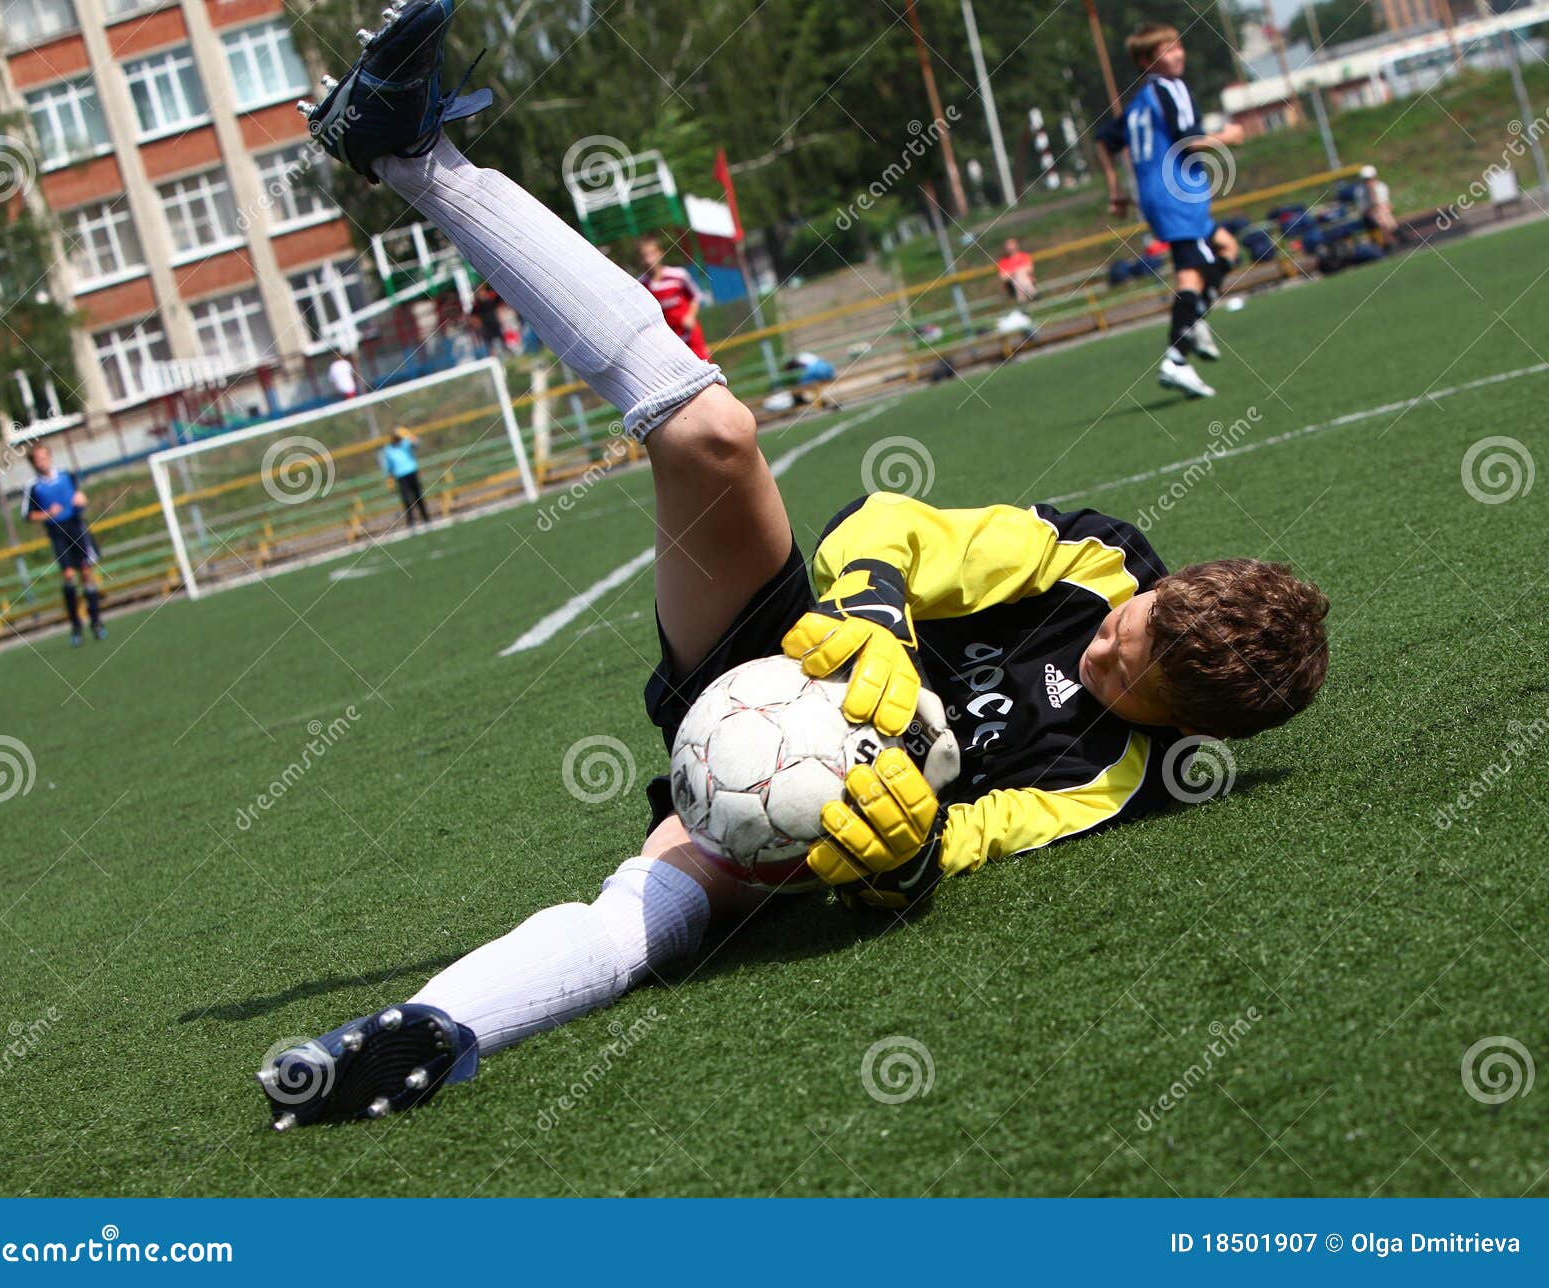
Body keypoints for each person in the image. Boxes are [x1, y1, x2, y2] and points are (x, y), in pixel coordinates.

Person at [260, 0, 1330, 1129]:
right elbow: (896, 529)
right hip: (791, 647)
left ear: (1183, 727)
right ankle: (409, 151)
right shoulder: (1102, 560)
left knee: (677, 894)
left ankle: (428, 1029)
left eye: (1132, 677)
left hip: (805, 810)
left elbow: (978, 834)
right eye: (1136, 623)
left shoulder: (1125, 779)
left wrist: (905, 852)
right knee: (710, 433)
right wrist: (874, 621)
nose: (1110, 644)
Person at [1094, 22, 1246, 399]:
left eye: (1178, 46)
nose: (1177, 54)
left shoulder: (1140, 102)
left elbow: (1102, 139)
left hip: (1160, 196)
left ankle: (1192, 322)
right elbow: (1189, 144)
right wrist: (1230, 137)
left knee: (1228, 249)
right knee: (1190, 277)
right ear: (1147, 62)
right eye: (1166, 50)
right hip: (1177, 194)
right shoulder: (1172, 89)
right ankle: (1176, 358)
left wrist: (1115, 188)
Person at [23, 443, 105, 647]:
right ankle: (76, 626)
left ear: (50, 457)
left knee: (86, 573)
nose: (42, 462)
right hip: (58, 533)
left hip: (77, 527)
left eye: (44, 457)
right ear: (33, 464)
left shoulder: (66, 476)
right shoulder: (33, 486)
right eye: (37, 460)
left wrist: (81, 500)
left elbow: (80, 497)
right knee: (68, 576)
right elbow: (27, 515)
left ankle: (96, 622)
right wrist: (47, 513)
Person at [635, 233, 711, 361]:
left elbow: (696, 296)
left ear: (660, 253)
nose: (649, 260)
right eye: (644, 256)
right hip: (667, 344)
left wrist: (690, 316)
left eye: (652, 253)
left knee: (707, 374)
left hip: (691, 337)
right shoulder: (640, 286)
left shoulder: (678, 275)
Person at [380, 426, 430, 528]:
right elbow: (389, 467)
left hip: (411, 472)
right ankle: (411, 522)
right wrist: (390, 480)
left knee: (418, 496)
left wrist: (407, 433)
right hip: (400, 476)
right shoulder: (389, 449)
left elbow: (417, 443)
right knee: (406, 500)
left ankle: (426, 518)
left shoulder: (405, 443)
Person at [1357, 165, 1399, 243]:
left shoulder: (1381, 186)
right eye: (1366, 179)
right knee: (1381, 219)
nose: (1368, 181)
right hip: (1369, 215)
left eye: (1370, 179)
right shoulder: (1360, 191)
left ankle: (1395, 237)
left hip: (1383, 212)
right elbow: (1363, 210)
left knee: (1384, 217)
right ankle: (1392, 239)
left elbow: (1386, 203)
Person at [995, 237, 1037, 303]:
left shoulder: (1024, 256)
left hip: (1028, 281)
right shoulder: (1003, 261)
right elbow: (1003, 277)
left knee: (1020, 274)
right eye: (1008, 245)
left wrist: (1016, 271)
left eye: (1011, 244)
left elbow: (1030, 269)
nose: (1010, 247)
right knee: (1017, 278)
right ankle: (1033, 294)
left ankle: (1023, 301)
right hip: (1012, 287)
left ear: (1016, 245)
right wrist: (1015, 272)